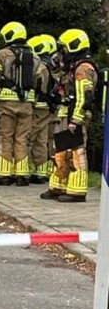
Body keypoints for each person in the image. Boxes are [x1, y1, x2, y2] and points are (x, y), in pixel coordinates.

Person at [41, 29, 96, 203]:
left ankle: (77, 191)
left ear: (73, 47)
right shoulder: (74, 67)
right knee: (61, 153)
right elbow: (64, 85)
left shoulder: (83, 69)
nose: (61, 53)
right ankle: (58, 187)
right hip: (65, 114)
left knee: (76, 152)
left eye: (63, 49)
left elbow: (83, 97)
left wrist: (76, 120)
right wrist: (57, 68)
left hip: (74, 116)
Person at [0, 22, 39, 187]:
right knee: (22, 138)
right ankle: (22, 175)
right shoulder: (34, 56)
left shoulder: (2, 54)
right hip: (26, 104)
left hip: (7, 104)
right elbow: (38, 80)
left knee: (5, 137)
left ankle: (3, 175)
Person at [27, 34, 57, 184]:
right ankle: (41, 171)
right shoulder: (53, 66)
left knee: (29, 137)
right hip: (49, 108)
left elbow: (37, 86)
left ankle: (24, 170)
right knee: (43, 140)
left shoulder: (41, 67)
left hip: (38, 107)